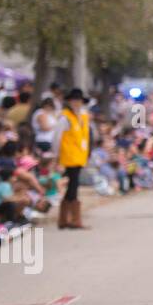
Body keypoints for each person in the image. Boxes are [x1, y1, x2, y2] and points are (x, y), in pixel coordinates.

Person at [57, 88, 91, 230]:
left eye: (79, 101)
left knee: (73, 186)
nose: (77, 103)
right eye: (74, 100)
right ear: (69, 101)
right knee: (73, 185)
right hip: (68, 155)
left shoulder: (83, 116)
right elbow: (57, 137)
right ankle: (73, 219)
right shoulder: (65, 117)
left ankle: (65, 219)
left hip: (79, 155)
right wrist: (56, 156)